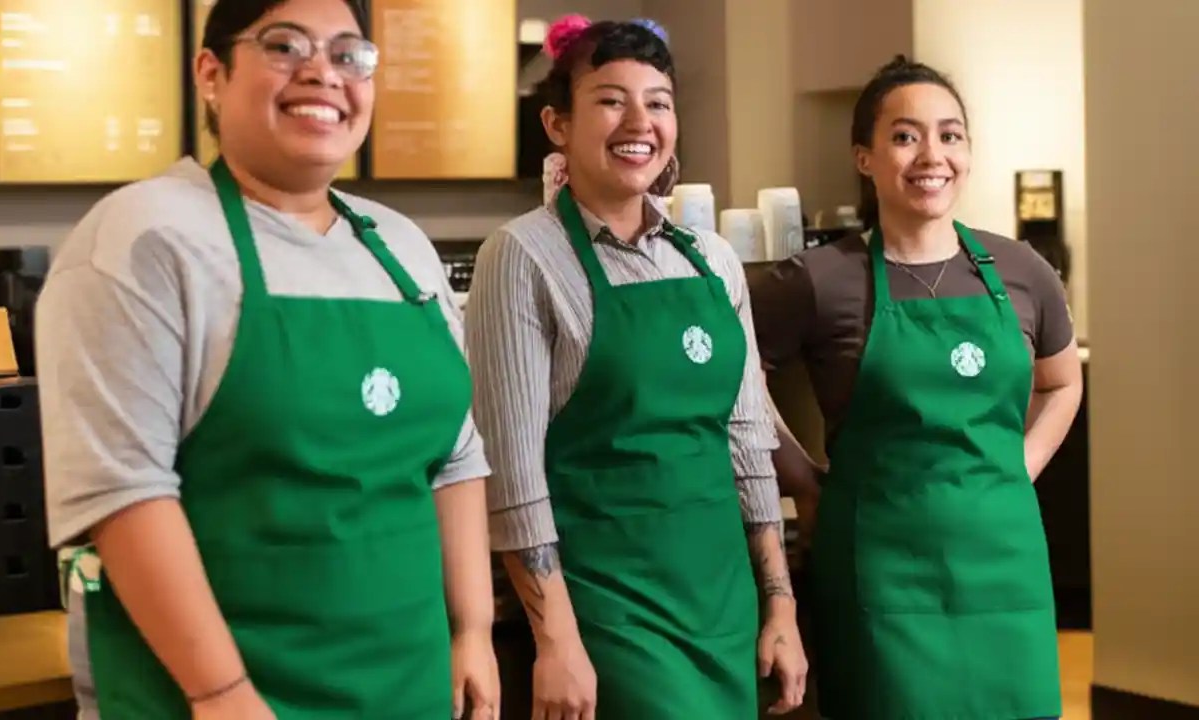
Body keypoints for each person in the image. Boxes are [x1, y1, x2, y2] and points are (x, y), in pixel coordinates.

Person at [35, 0, 499, 718]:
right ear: (212, 73)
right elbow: (123, 493)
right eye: (285, 46)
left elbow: (456, 458)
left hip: (407, 679)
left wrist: (472, 631)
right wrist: (221, 692)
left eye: (349, 55)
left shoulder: (399, 246)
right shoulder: (144, 238)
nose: (322, 73)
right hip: (219, 692)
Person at [464, 14, 808, 719]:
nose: (639, 120)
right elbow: (514, 472)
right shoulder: (522, 255)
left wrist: (779, 604)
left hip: (723, 602)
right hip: (609, 611)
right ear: (558, 124)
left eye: (658, 101)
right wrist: (555, 640)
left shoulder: (710, 259)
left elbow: (746, 444)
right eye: (611, 99)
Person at [749, 55, 1082, 720]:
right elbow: (730, 379)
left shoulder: (1022, 269)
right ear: (865, 158)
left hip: (1005, 567)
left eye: (950, 135)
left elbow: (1061, 382)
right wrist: (802, 476)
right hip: (881, 569)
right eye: (905, 136)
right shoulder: (820, 279)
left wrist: (1022, 463)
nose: (932, 155)